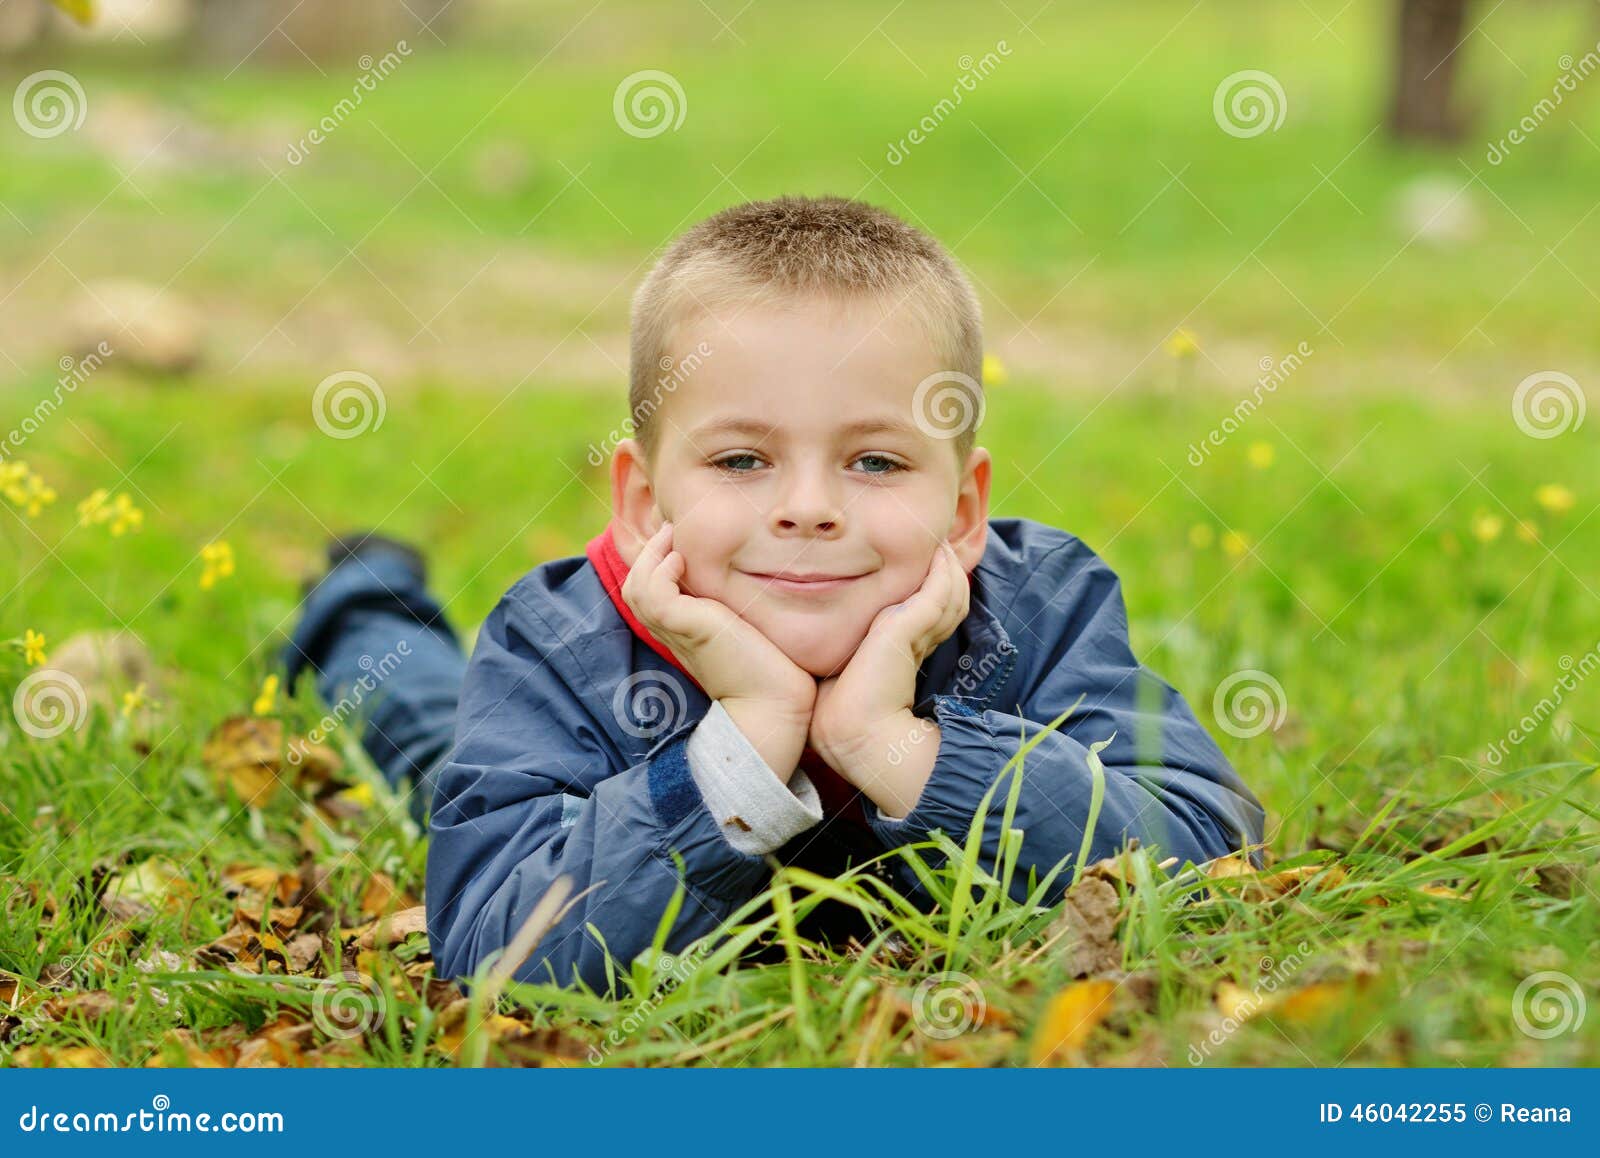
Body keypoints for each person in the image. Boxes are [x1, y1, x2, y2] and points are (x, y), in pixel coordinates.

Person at [281, 195, 1265, 994]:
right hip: (565, 747)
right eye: (743, 458)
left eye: (874, 461)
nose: (806, 508)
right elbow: (499, 953)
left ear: (965, 510)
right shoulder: (559, 641)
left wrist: (897, 745)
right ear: (639, 501)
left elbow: (1202, 861)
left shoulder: (1037, 609)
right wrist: (745, 744)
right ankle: (366, 599)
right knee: (418, 727)